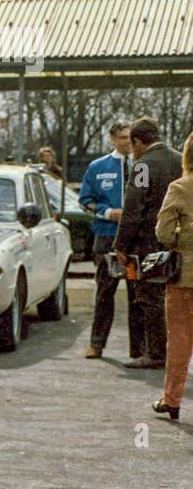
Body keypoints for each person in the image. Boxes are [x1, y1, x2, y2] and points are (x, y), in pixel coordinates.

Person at [115, 117, 183, 369]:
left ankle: (155, 353)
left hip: (149, 242)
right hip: (178, 239)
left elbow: (133, 208)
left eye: (133, 145)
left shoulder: (143, 166)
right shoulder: (179, 159)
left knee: (150, 298)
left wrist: (120, 244)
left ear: (138, 141)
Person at [79, 122, 143, 360]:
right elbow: (85, 200)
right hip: (107, 236)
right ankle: (96, 344)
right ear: (113, 140)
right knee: (105, 292)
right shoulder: (98, 167)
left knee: (137, 294)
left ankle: (139, 348)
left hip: (135, 240)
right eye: (124, 138)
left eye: (132, 138)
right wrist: (107, 212)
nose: (129, 142)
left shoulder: (142, 166)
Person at [152, 133, 193, 420]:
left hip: (185, 277)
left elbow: (163, 233)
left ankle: (172, 400)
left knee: (179, 339)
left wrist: (181, 236)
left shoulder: (180, 187)